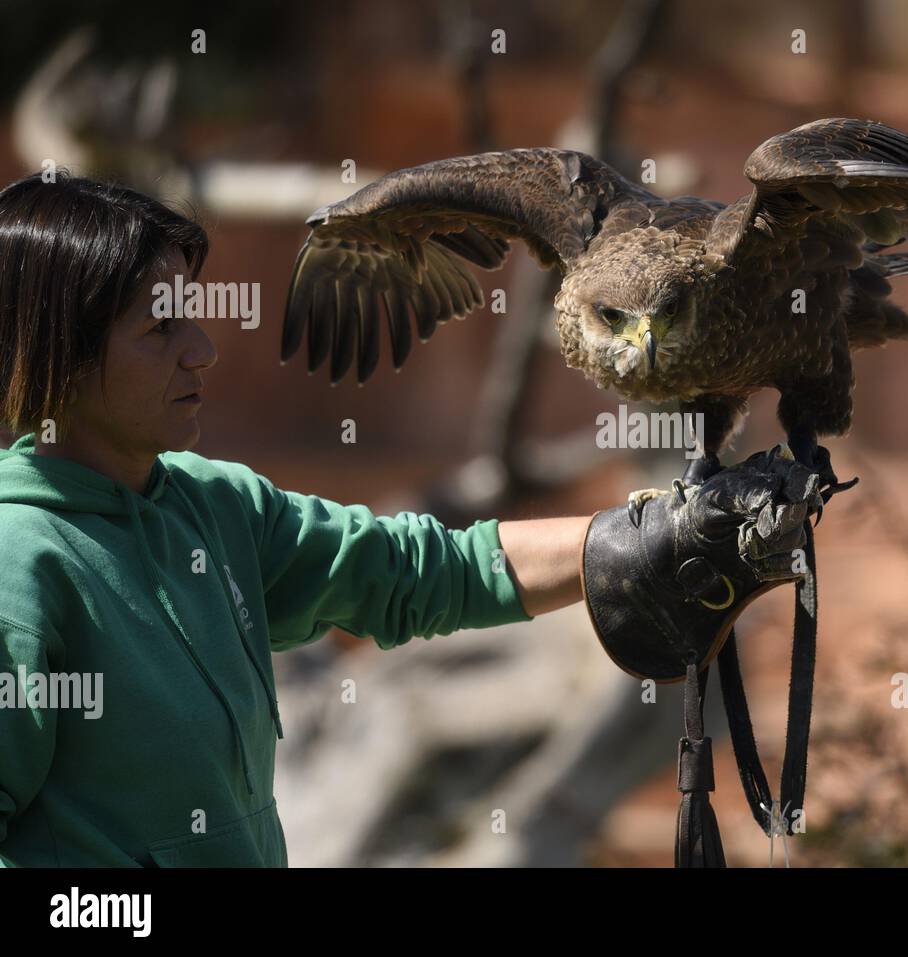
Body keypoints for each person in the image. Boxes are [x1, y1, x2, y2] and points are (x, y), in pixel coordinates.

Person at [0, 172, 823, 866]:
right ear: (59, 353)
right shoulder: (21, 569)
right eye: (161, 328)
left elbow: (416, 569)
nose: (203, 350)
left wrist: (643, 540)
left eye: (195, 314)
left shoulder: (209, 507)